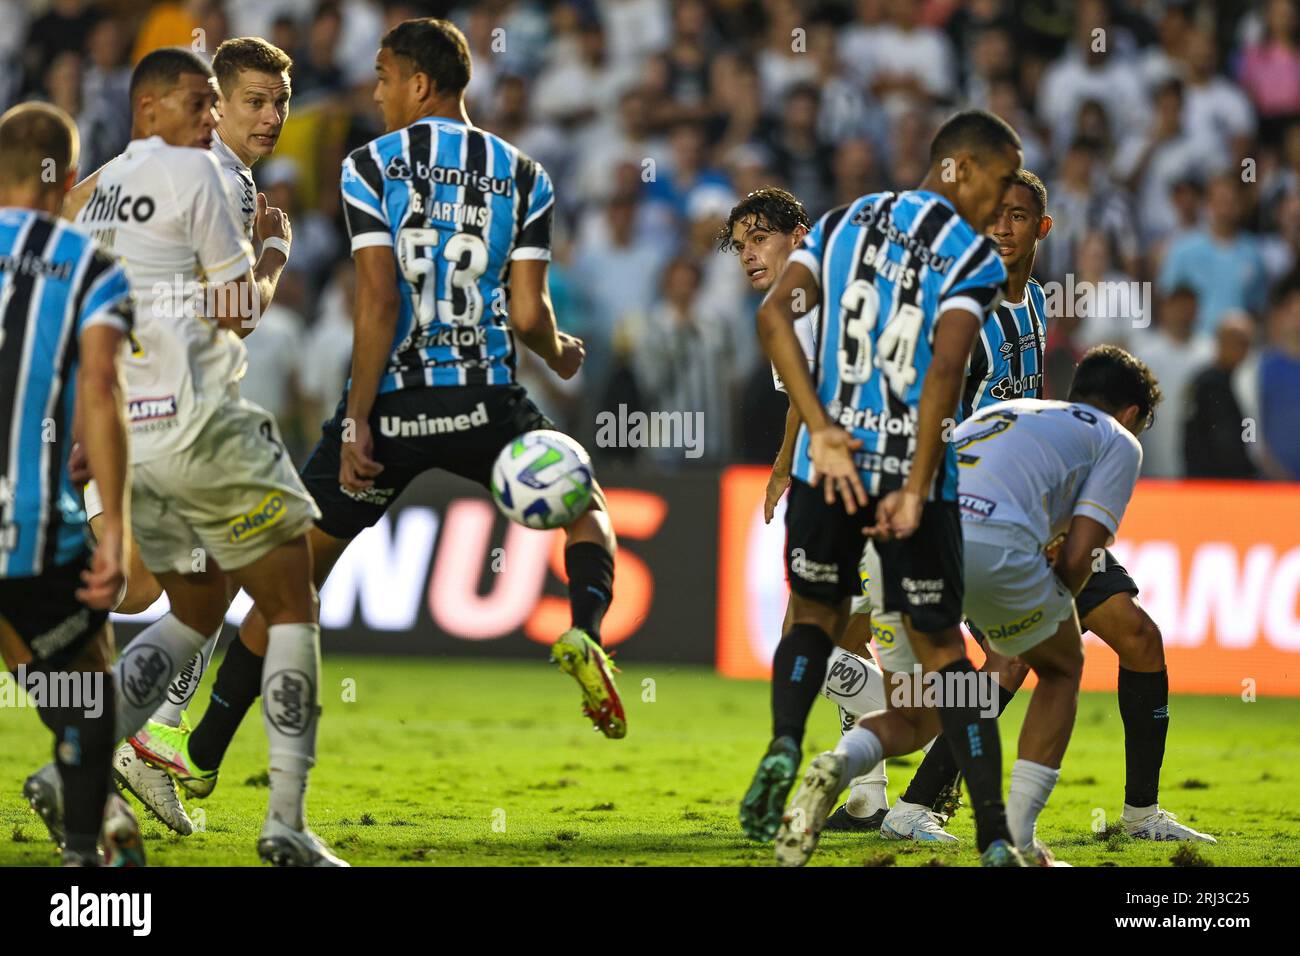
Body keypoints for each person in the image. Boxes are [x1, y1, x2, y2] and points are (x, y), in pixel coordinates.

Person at [134, 20, 626, 813]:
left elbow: (378, 297)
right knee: (585, 507)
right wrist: (562, 351)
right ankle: (587, 632)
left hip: (393, 406)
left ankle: (193, 756)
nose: (375, 91)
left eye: (384, 76)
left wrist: (360, 418)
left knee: (288, 586)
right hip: (490, 398)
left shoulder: (371, 165)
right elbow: (530, 313)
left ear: (420, 84)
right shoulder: (527, 173)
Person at [57, 47, 339, 867]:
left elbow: (65, 227)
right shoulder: (218, 177)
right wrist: (278, 250)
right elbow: (238, 316)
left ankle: (107, 752)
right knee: (288, 596)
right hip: (194, 419)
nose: (263, 118)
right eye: (246, 100)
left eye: (275, 103)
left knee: (179, 594)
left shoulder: (117, 172)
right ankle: (278, 818)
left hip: (125, 422)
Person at [754, 109, 1024, 867]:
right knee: (948, 661)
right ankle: (996, 833)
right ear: (961, 169)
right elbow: (945, 370)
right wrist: (912, 480)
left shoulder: (841, 224)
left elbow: (775, 318)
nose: (1003, 202)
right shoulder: (971, 259)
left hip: (827, 466)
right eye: (1000, 180)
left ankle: (784, 743)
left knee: (811, 615)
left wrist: (820, 426)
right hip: (912, 474)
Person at [828, 347, 1163, 865]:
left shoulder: (1022, 359)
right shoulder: (1116, 441)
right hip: (995, 531)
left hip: (928, 528)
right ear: (1131, 416)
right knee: (1042, 662)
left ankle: (1140, 813)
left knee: (1134, 637)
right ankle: (999, 832)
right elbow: (1082, 550)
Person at [720, 187, 891, 835]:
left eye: (759, 238)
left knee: (813, 639)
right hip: (843, 474)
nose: (747, 255)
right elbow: (800, 394)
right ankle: (873, 790)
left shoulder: (808, 292)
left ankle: (922, 726)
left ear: (797, 233)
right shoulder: (802, 295)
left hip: (867, 478)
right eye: (739, 246)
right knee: (846, 640)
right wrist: (781, 466)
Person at [0, 102, 141, 866]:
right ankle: (87, 871)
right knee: (90, 692)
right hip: (32, 527)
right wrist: (112, 531)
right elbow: (99, 392)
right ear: (63, 184)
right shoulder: (89, 264)